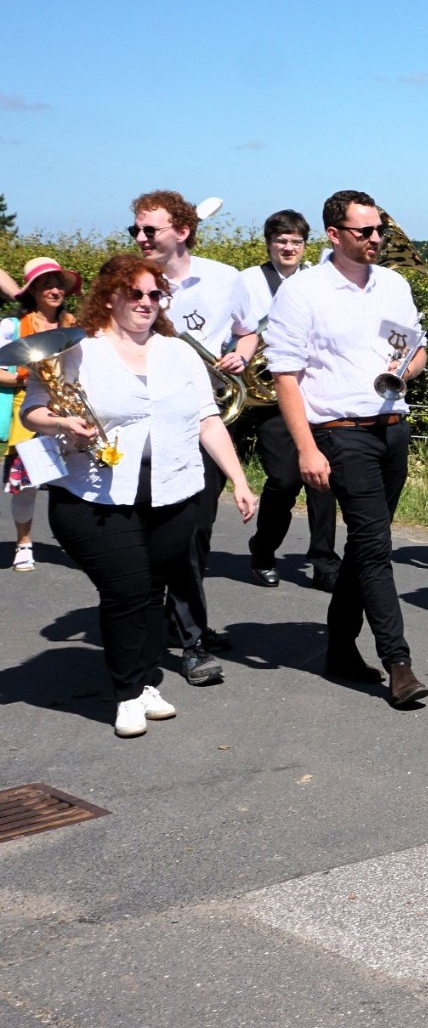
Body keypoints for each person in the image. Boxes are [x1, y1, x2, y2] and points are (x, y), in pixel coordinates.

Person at [19, 255, 256, 736]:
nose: (147, 303)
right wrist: (64, 422)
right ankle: (128, 693)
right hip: (93, 497)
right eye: (136, 294)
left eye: (155, 295)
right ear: (110, 296)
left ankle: (146, 680)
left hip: (174, 491)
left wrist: (240, 480)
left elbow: (207, 420)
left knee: (151, 592)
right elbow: (33, 414)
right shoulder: (77, 350)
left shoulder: (178, 353)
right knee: (126, 590)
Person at [263, 190, 428, 707]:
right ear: (335, 235)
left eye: (380, 230)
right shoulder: (303, 292)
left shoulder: (394, 285)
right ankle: (397, 662)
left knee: (364, 545)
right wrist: (308, 449)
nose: (377, 239)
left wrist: (404, 369)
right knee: (376, 545)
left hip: (391, 425)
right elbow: (284, 378)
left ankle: (337, 645)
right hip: (339, 432)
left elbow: (417, 349)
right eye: (365, 232)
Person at [132, 190, 260, 685]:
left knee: (194, 533)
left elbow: (248, 331)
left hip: (204, 420)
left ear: (181, 232)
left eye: (150, 230)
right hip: (144, 427)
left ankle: (186, 624)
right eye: (136, 231)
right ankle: (182, 635)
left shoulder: (227, 279)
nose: (140, 238)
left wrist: (241, 357)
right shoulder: (134, 282)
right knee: (149, 537)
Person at [236, 209, 342, 589]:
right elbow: (237, 327)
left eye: (295, 241)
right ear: (269, 243)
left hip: (315, 391)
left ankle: (324, 561)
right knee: (283, 480)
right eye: (281, 240)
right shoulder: (248, 281)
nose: (288, 247)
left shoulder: (318, 279)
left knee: (324, 479)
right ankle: (263, 549)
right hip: (271, 396)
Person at [3, 257, 80, 572]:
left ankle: (80, 542)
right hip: (30, 407)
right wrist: (28, 376)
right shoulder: (11, 326)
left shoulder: (75, 324)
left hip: (71, 407)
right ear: (32, 291)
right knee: (26, 482)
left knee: (78, 477)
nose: (54, 289)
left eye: (58, 284)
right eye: (46, 284)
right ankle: (24, 543)